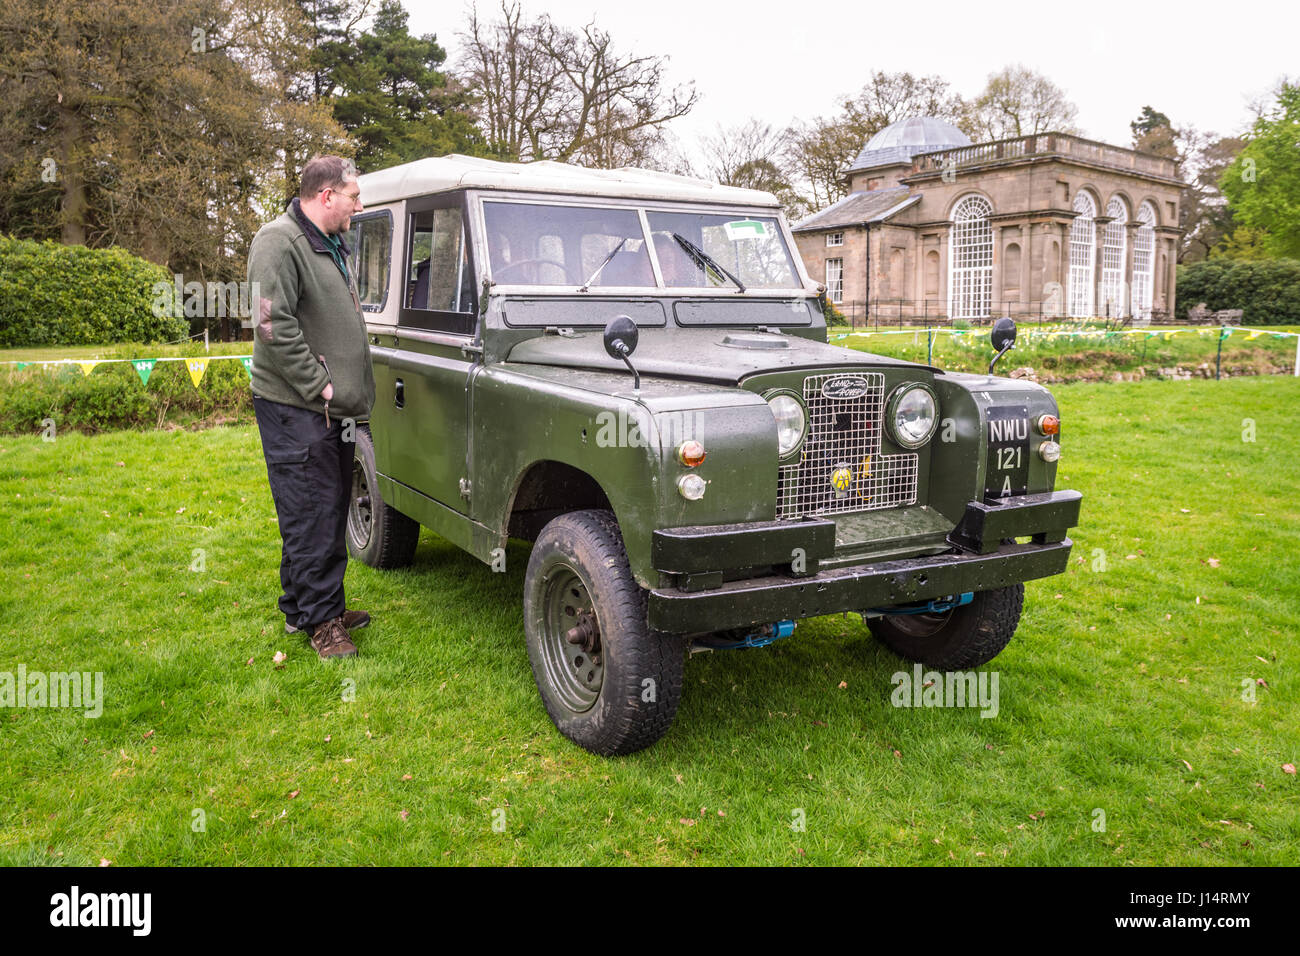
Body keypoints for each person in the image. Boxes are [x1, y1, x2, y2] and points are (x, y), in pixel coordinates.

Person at [246, 155, 377, 659]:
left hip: (330, 411)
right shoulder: (278, 241)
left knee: (323, 507)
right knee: (311, 511)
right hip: (297, 407)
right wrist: (319, 384)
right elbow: (267, 321)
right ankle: (322, 624)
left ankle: (304, 607)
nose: (358, 206)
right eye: (354, 196)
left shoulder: (328, 242)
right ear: (327, 196)